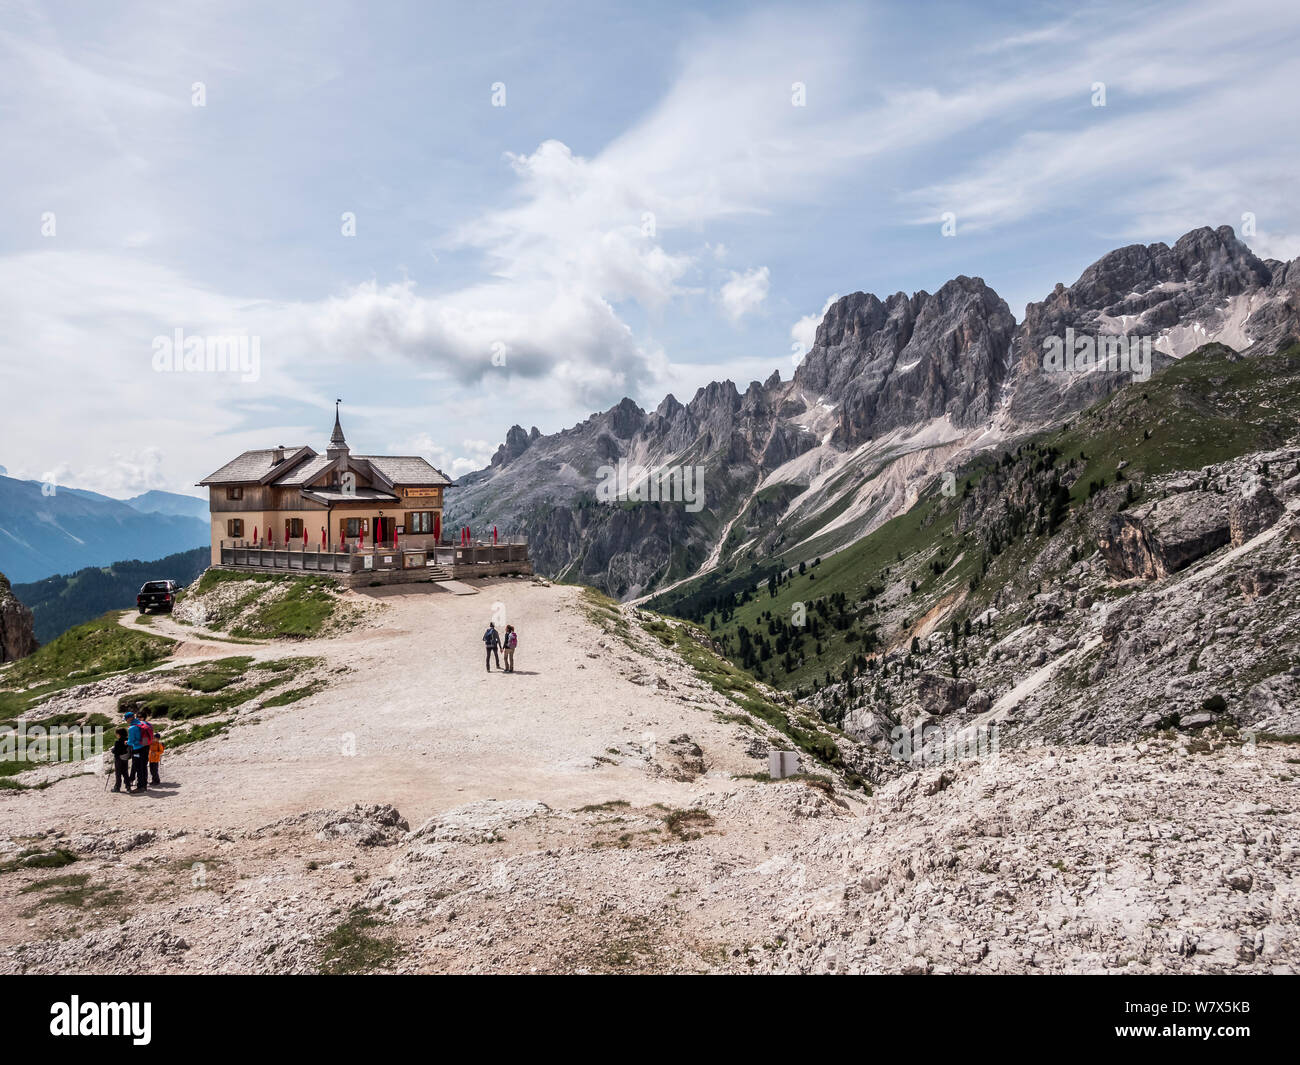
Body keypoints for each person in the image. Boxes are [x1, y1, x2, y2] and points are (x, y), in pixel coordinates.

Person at [124, 712, 148, 793]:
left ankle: (140, 787)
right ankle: (144, 785)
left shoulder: (132, 728)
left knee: (138, 768)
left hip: (137, 749)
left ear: (130, 718)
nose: (126, 721)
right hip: (145, 747)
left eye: (126, 719)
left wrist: (126, 742)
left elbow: (131, 742)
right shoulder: (142, 723)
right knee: (144, 767)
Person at [111, 728, 132, 793]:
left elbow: (116, 751)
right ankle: (128, 787)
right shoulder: (128, 741)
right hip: (125, 758)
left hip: (118, 759)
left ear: (119, 734)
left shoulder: (118, 742)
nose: (116, 735)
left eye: (116, 734)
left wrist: (112, 750)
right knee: (125, 772)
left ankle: (117, 787)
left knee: (118, 773)